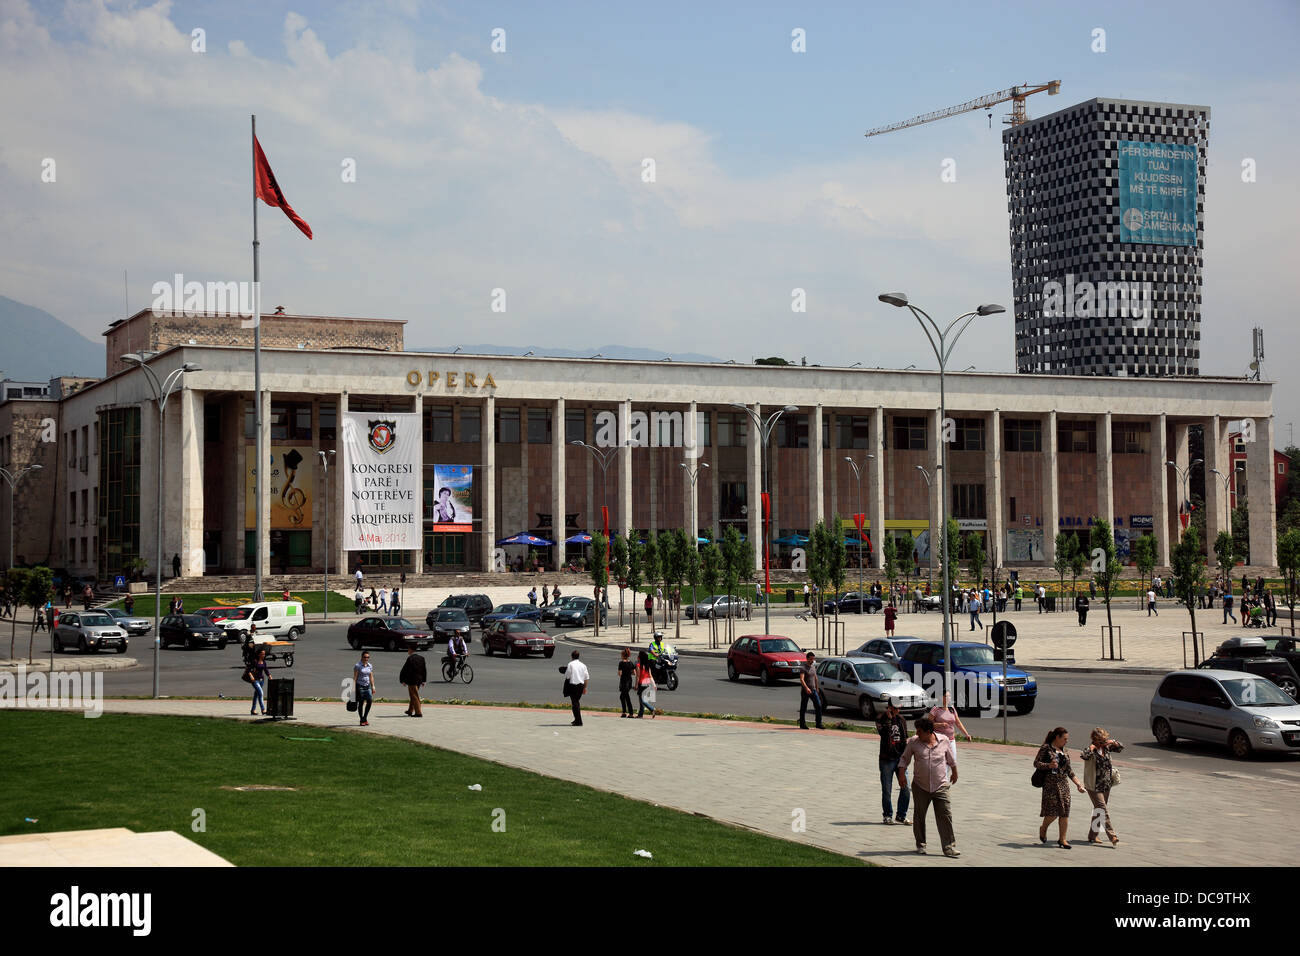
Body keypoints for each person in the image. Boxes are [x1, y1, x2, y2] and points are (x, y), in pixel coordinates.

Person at [897, 716, 959, 857]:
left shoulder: (943, 740)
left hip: (941, 785)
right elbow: (904, 759)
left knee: (945, 815)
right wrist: (901, 774)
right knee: (919, 816)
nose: (917, 733)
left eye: (920, 731)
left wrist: (955, 772)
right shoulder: (914, 742)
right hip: (920, 786)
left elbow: (951, 759)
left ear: (929, 731)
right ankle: (921, 845)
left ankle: (948, 847)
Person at [1035, 726, 1086, 848]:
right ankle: (1043, 828)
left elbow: (1069, 770)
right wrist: (1049, 765)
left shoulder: (1065, 750)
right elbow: (1036, 763)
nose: (1066, 741)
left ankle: (1062, 839)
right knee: (1052, 813)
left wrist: (1078, 784)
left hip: (1064, 785)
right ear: (1057, 737)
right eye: (1065, 739)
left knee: (1064, 813)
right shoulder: (1046, 748)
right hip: (1050, 785)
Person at [1080, 726, 1123, 846]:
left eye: (1104, 740)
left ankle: (1092, 836)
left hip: (1105, 784)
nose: (1103, 742)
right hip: (1093, 785)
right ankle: (1112, 835)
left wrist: (1112, 742)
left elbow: (1120, 747)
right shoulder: (1091, 750)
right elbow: (1083, 755)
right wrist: (1092, 747)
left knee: (1098, 810)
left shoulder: (1107, 748)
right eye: (1100, 740)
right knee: (1102, 809)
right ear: (1094, 739)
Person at [876, 699, 911, 826]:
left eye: (899, 708)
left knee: (906, 788)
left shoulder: (901, 719)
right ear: (889, 707)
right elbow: (884, 733)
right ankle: (887, 815)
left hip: (900, 758)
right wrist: (889, 719)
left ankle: (901, 815)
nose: (898, 710)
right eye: (895, 708)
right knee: (887, 789)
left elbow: (905, 738)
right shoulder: (881, 718)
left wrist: (905, 758)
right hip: (886, 760)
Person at [928, 690, 971, 755]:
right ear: (941, 697)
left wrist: (966, 734)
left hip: (951, 739)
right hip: (939, 740)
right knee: (941, 761)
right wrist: (940, 724)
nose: (948, 698)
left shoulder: (952, 708)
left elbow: (958, 723)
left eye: (949, 696)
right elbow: (928, 724)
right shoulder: (935, 709)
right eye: (946, 696)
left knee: (953, 760)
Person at [561, 649, 590, 726]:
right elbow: (586, 678)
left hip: (573, 685)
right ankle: (576, 720)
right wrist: (585, 688)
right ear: (578, 657)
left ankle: (579, 721)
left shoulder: (570, 664)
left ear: (572, 657)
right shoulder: (583, 665)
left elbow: (567, 676)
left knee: (575, 703)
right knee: (576, 702)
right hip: (580, 686)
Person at [798, 651, 824, 730]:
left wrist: (817, 687)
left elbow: (815, 678)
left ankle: (818, 723)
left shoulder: (813, 667)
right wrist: (806, 688)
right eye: (810, 659)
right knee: (803, 707)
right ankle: (802, 724)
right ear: (807, 659)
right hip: (806, 691)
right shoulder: (803, 668)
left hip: (813, 690)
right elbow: (801, 679)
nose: (812, 660)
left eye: (813, 659)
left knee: (818, 706)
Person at [399, 645, 427, 717]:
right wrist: (424, 680)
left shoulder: (410, 659)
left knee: (414, 695)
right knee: (412, 695)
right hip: (419, 680)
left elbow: (405, 670)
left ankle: (418, 712)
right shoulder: (421, 658)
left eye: (408, 649)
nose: (408, 651)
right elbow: (424, 670)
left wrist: (402, 680)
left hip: (412, 680)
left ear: (411, 650)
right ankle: (410, 710)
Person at [353, 651, 377, 726]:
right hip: (360, 686)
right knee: (361, 702)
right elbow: (355, 677)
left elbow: (371, 676)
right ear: (361, 657)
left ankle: (365, 718)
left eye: (368, 657)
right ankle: (361, 719)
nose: (366, 659)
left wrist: (373, 686)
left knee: (369, 701)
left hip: (367, 686)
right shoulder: (358, 666)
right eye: (365, 657)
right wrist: (353, 688)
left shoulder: (370, 665)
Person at [248, 648, 269, 715]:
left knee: (256, 695)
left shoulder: (264, 662)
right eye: (262, 654)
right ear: (259, 654)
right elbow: (248, 669)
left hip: (261, 680)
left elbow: (266, 670)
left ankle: (252, 710)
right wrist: (251, 675)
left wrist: (269, 676)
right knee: (261, 693)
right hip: (255, 680)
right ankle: (263, 710)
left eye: (264, 654)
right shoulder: (255, 661)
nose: (264, 655)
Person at [636, 650, 656, 718]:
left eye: (638, 656)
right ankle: (640, 714)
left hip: (641, 684)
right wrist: (654, 684)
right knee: (642, 700)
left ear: (640, 658)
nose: (637, 657)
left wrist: (636, 685)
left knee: (642, 700)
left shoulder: (638, 665)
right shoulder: (647, 666)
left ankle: (652, 709)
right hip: (647, 684)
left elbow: (638, 676)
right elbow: (650, 676)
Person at [617, 647, 636, 717]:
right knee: (623, 696)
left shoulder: (621, 663)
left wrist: (622, 672)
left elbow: (619, 673)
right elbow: (634, 673)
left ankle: (629, 713)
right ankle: (625, 712)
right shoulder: (631, 663)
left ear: (623, 655)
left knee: (625, 697)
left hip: (624, 681)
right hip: (629, 681)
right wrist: (629, 672)